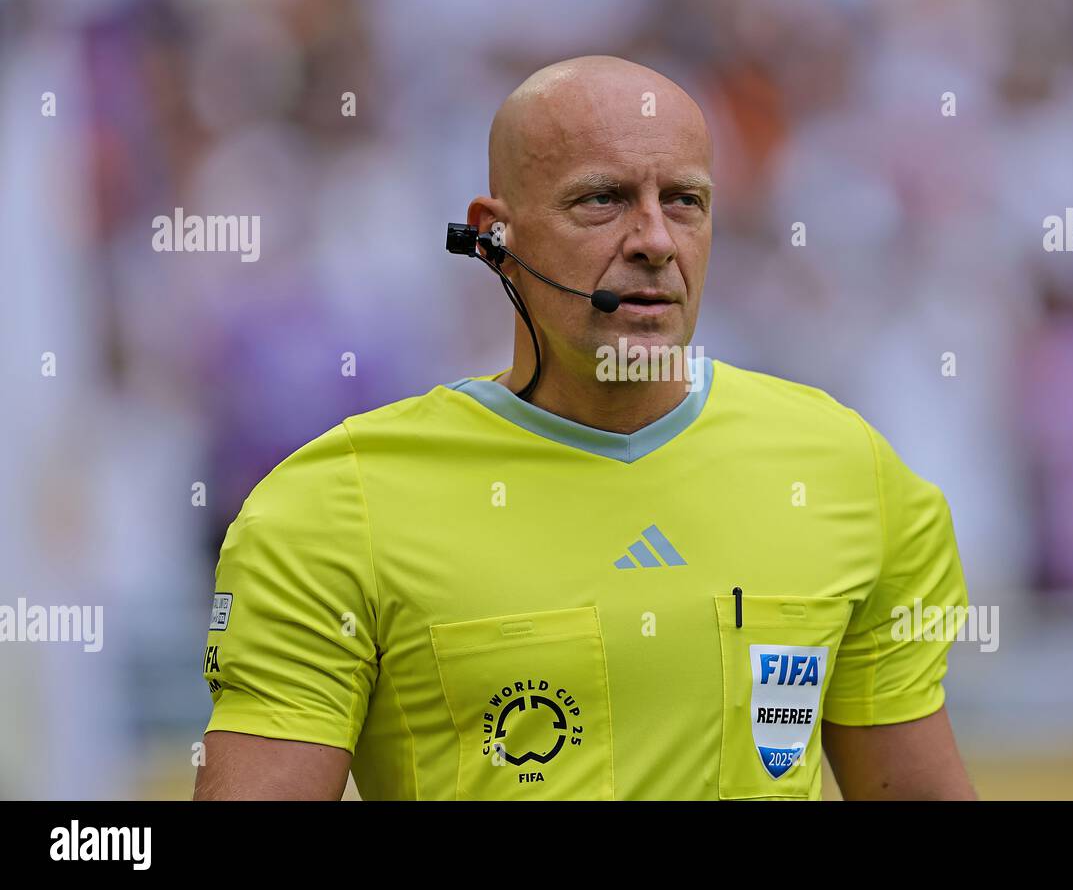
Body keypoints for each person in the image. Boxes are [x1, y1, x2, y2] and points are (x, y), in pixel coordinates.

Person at [194, 55, 976, 800]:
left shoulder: (846, 473)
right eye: (601, 200)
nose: (654, 241)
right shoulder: (332, 509)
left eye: (684, 201)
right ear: (495, 238)